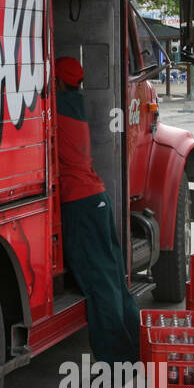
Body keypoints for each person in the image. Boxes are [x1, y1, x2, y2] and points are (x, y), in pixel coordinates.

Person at [53, 56, 140, 365]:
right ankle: (135, 347)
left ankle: (117, 359)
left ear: (57, 81)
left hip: (81, 204)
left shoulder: (57, 109)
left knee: (100, 286)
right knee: (114, 278)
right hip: (97, 199)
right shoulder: (74, 103)